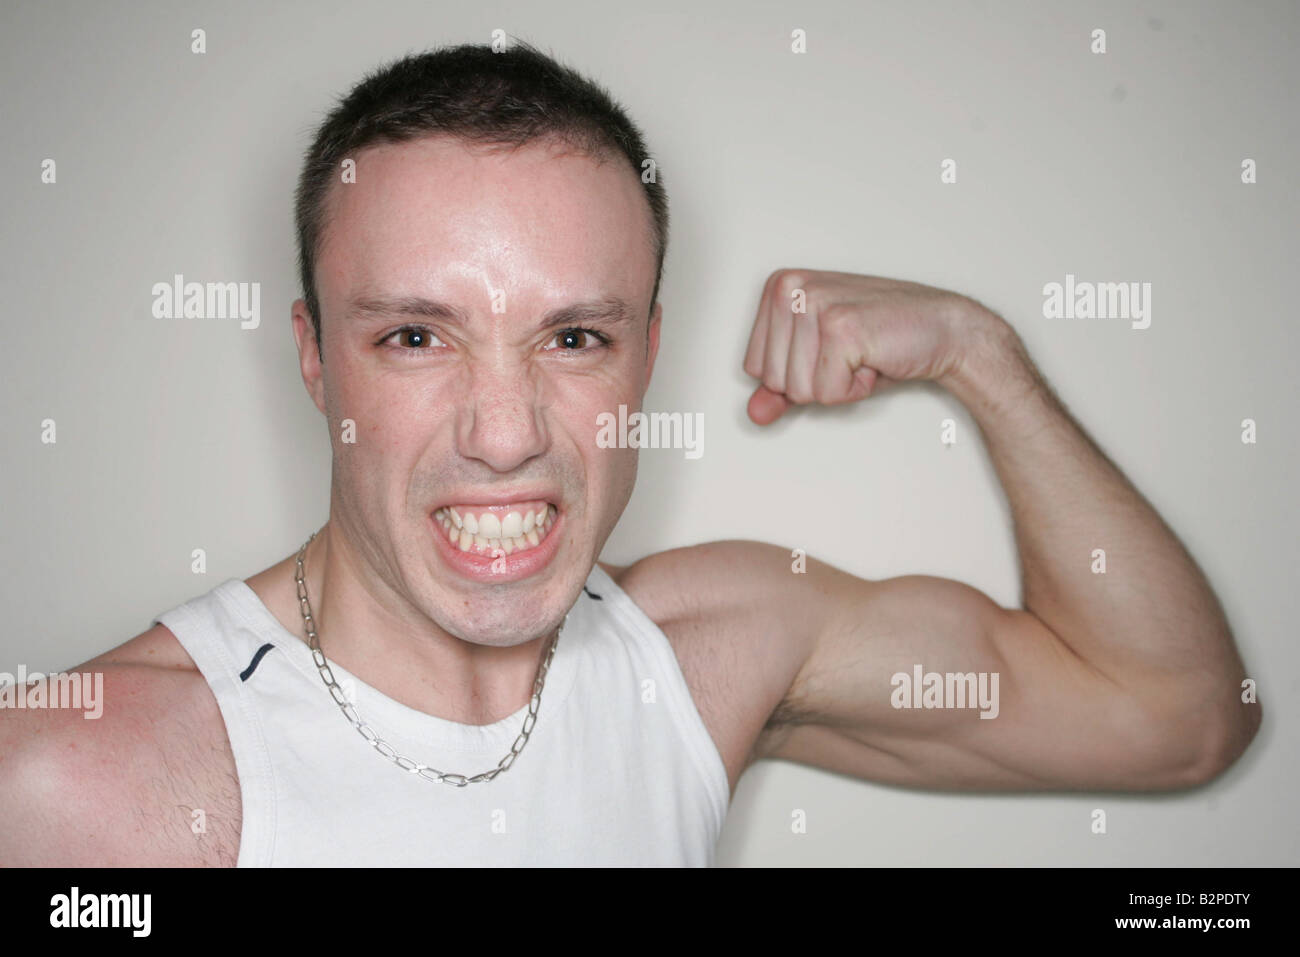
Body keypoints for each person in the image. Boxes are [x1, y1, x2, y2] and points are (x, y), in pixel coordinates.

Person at [0, 41, 1260, 866]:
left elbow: (1180, 718)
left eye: (574, 335)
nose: (505, 436)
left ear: (648, 354)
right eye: (416, 336)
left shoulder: (706, 654)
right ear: (315, 357)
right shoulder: (71, 781)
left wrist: (981, 356)